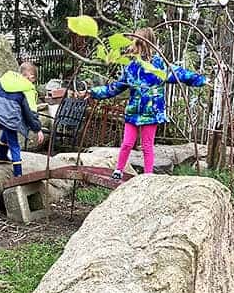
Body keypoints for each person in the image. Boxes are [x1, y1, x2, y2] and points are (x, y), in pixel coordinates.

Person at [89, 27, 207, 179]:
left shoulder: (159, 65)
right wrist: (93, 92)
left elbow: (181, 74)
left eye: (137, 43)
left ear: (145, 44)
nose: (133, 46)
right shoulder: (131, 67)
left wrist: (201, 80)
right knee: (127, 143)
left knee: (147, 146)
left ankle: (148, 176)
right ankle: (118, 169)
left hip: (151, 113)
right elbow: (114, 88)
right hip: (133, 113)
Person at [0, 61, 45, 178]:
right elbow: (31, 112)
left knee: (6, 130)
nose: (33, 83)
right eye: (33, 80)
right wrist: (38, 129)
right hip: (9, 117)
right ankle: (18, 174)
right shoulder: (27, 88)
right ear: (31, 77)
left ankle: (1, 156)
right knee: (14, 144)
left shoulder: (6, 78)